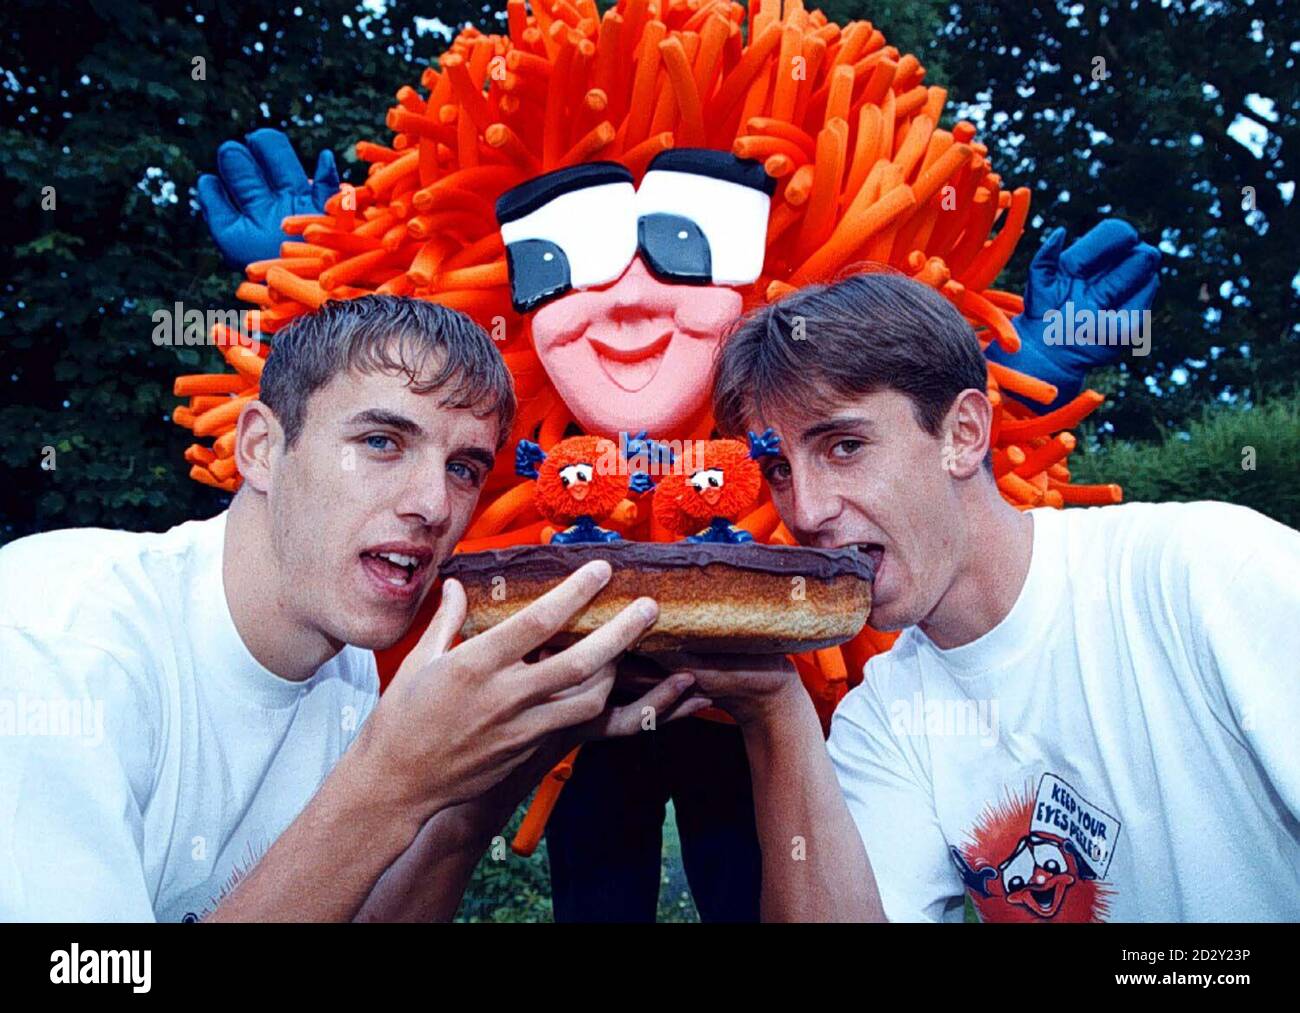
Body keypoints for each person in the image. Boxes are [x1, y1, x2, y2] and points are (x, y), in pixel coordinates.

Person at [0, 295, 704, 922]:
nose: (432, 504)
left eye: (463, 467)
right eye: (381, 442)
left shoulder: (350, 666)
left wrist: (477, 794)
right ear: (260, 448)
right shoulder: (56, 643)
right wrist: (391, 779)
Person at [660, 269, 1300, 922]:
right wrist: (775, 710)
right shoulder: (882, 718)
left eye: (844, 446)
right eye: (778, 470)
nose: (808, 509)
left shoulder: (1203, 573)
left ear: (963, 434)